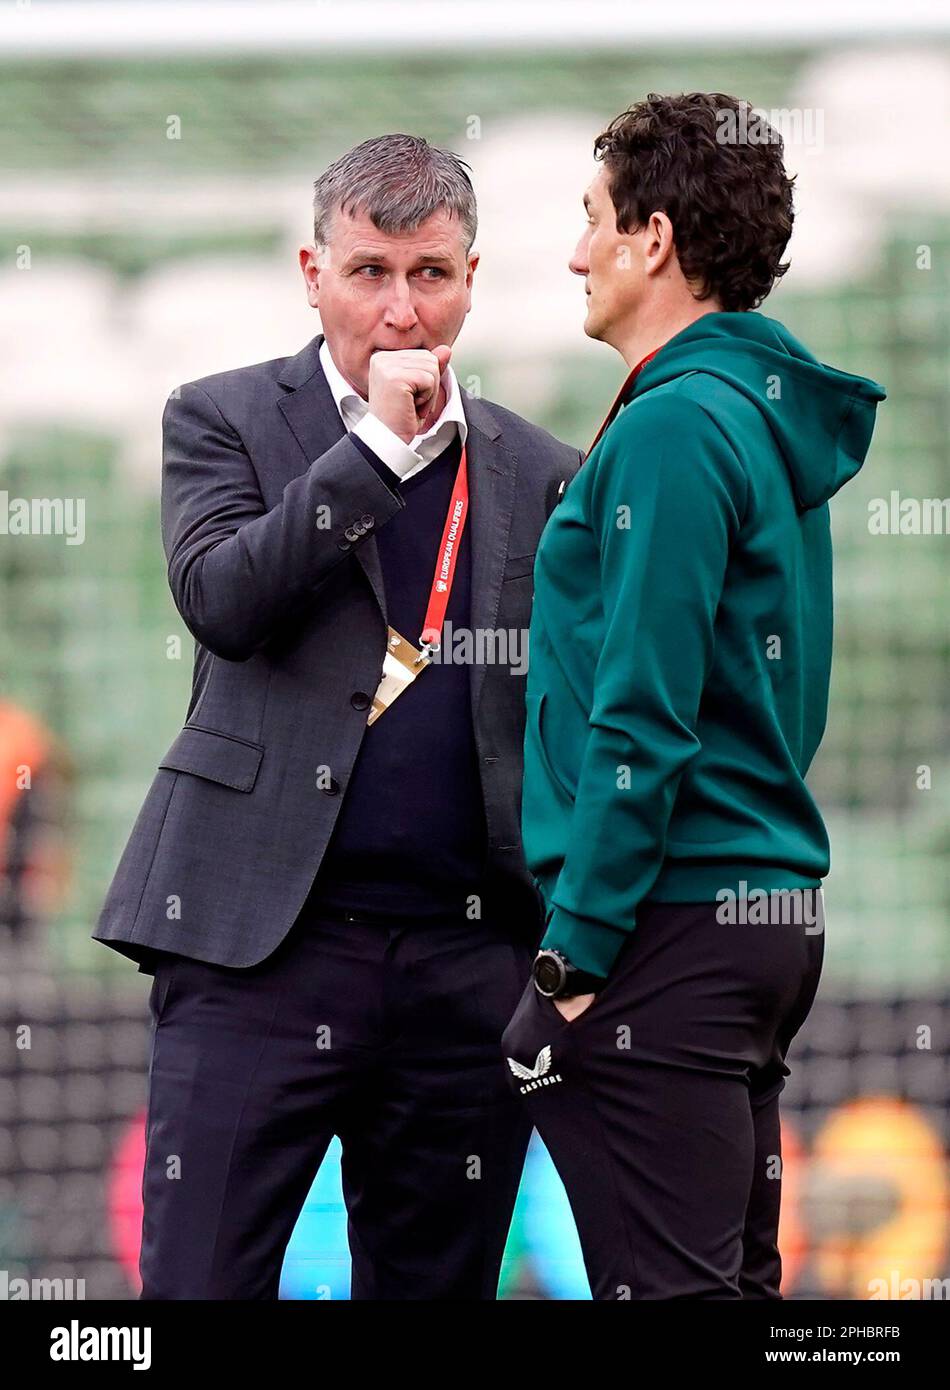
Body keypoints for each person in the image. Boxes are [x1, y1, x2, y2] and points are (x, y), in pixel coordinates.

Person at [94, 133, 582, 1300]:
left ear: (472, 278)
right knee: (196, 1285)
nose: (402, 308)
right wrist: (371, 450)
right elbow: (223, 599)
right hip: (258, 948)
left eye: (431, 274)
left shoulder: (544, 469)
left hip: (465, 961)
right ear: (312, 273)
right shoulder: (219, 418)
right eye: (370, 272)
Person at [502, 93, 886, 1300]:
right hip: (753, 917)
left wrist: (570, 958)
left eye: (591, 218)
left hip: (661, 925)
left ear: (652, 239)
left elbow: (642, 719)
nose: (573, 252)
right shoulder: (755, 417)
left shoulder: (673, 430)